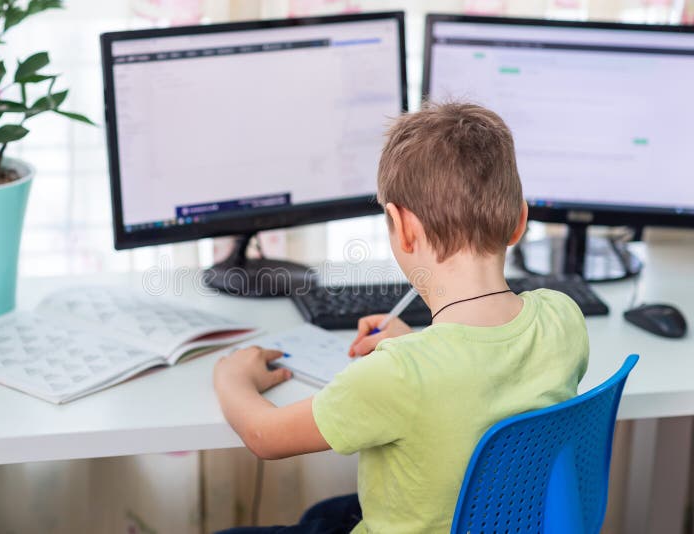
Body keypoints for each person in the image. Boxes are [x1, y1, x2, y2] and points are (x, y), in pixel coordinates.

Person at [213, 101, 589, 533]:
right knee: (324, 516)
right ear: (520, 220)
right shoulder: (563, 318)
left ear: (403, 227)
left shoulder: (399, 375)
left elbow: (266, 438)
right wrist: (414, 341)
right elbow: (484, 379)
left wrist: (232, 379)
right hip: (506, 522)